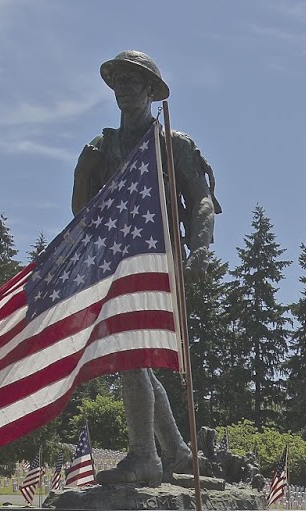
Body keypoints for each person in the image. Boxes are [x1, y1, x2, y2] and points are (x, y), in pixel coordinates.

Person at [74, 50, 220, 487]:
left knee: (132, 358)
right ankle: (173, 452)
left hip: (158, 261)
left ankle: (146, 457)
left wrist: (201, 250)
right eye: (119, 79)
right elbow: (82, 214)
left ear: (151, 91)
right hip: (115, 264)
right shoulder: (99, 150)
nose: (125, 87)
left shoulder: (174, 144)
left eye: (135, 80)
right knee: (135, 360)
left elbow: (202, 201)